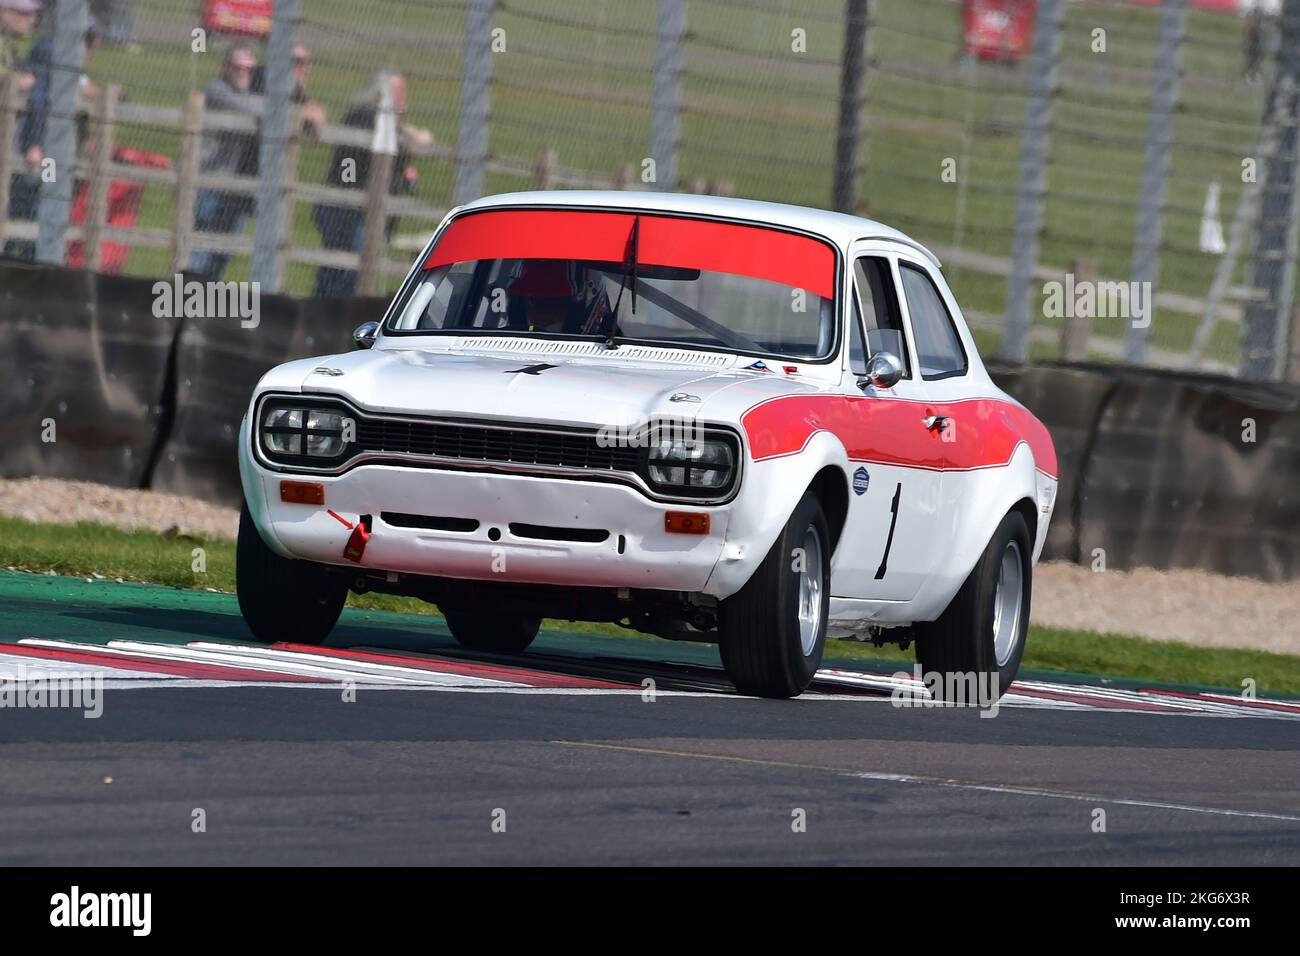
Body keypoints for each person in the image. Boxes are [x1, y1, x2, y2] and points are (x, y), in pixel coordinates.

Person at [311, 71, 431, 298]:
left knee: (344, 273)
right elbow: (383, 137)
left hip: (362, 212)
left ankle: (328, 319)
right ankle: (326, 319)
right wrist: (409, 139)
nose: (401, 100)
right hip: (346, 211)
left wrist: (404, 161)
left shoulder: (384, 121)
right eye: (396, 94)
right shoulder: (363, 115)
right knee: (345, 272)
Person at [189, 43, 260, 280]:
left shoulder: (252, 97)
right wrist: (283, 111)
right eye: (237, 67)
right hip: (209, 182)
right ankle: (188, 306)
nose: (242, 73)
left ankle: (203, 306)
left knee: (222, 253)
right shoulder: (216, 90)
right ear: (225, 67)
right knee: (200, 249)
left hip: (236, 190)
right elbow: (247, 109)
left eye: (248, 69)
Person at [250, 43, 325, 136]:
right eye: (298, 62)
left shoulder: (292, 86)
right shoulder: (262, 76)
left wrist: (314, 111)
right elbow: (272, 110)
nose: (306, 69)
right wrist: (303, 114)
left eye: (307, 63)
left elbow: (312, 107)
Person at [0, 0, 38, 86]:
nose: (32, 20)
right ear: (4, 12)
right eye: (24, 13)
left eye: (34, 14)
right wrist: (13, 80)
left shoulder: (14, 38)